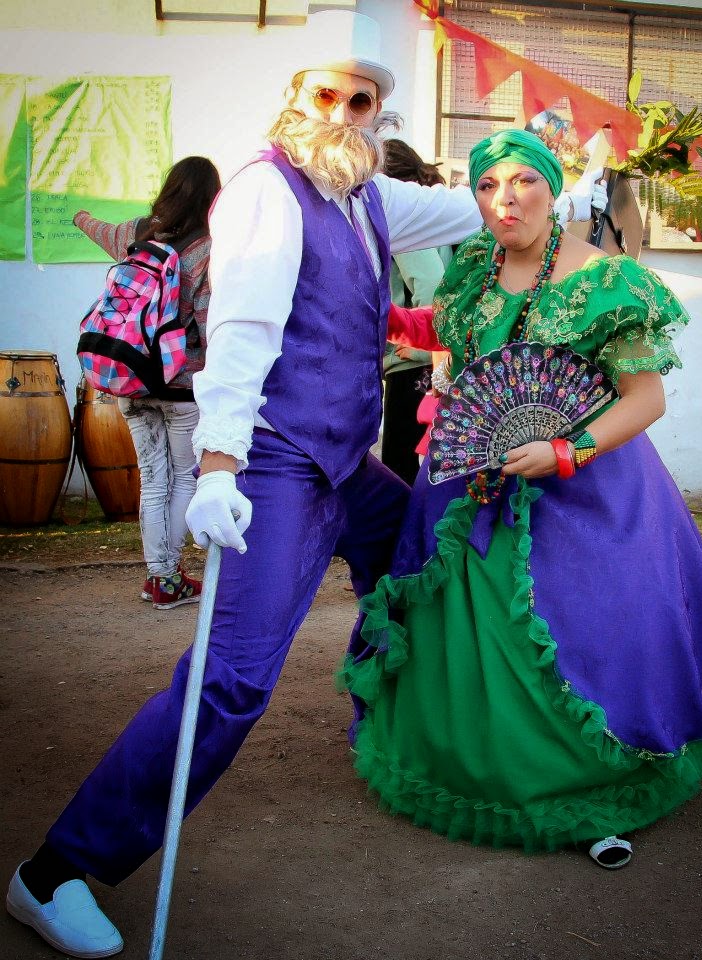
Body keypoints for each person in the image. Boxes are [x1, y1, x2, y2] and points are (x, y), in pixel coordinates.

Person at [6, 14, 608, 956]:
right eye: (323, 93)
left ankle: (398, 735)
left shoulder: (367, 195)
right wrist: (217, 466)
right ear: (294, 100)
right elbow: (241, 333)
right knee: (231, 682)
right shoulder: (263, 192)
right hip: (277, 463)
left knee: (416, 554)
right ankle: (54, 873)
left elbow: (476, 211)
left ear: (379, 113)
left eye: (360, 98)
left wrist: (546, 184)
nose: (340, 110)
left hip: (342, 464)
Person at [340, 129, 702, 871]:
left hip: (588, 494)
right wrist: (366, 312)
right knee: (473, 644)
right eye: (487, 186)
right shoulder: (475, 268)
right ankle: (482, 770)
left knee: (584, 641)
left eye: (522, 182)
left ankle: (590, 790)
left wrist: (566, 449)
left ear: (553, 187)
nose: (505, 201)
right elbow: (449, 337)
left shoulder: (605, 283)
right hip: (472, 490)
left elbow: (645, 398)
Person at [72, 156, 221, 610]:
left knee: (153, 481)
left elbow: (96, 229)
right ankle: (169, 578)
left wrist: (81, 217)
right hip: (180, 387)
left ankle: (158, 576)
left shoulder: (137, 234)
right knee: (183, 481)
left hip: (130, 380)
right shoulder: (206, 250)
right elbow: (207, 319)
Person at [381, 138, 452, 484]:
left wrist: (423, 345)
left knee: (400, 473)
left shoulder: (403, 220)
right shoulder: (429, 214)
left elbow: (433, 285)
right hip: (426, 364)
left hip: (414, 366)